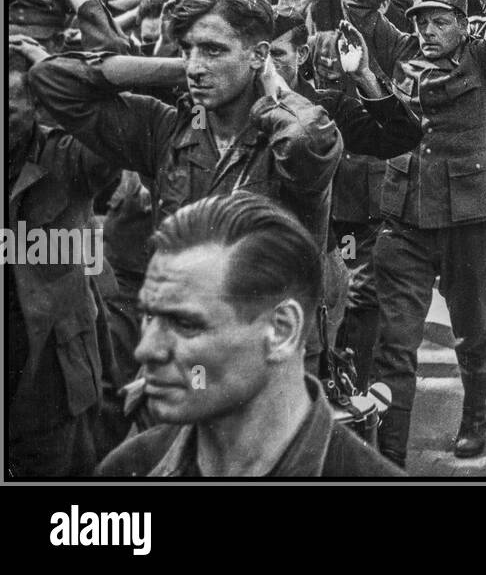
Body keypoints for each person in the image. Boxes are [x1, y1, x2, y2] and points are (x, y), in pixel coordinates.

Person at [26, 0, 344, 374]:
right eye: (187, 50)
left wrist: (270, 92)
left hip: (265, 360)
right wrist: (176, 69)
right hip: (182, 353)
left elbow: (304, 141)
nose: (196, 66)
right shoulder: (167, 131)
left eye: (213, 50)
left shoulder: (288, 137)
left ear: (258, 55)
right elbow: (53, 82)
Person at [342, 0, 486, 466]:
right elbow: (356, 2)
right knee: (395, 344)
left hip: (470, 220)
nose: (427, 30)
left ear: (464, 24)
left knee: (471, 332)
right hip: (404, 218)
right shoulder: (402, 50)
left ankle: (474, 419)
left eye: (440, 20)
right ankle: (389, 454)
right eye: (421, 20)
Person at [95, 193, 402, 477]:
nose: (146, 349)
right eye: (150, 317)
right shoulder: (127, 469)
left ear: (282, 330)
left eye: (186, 323)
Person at [6, 40, 118, 477]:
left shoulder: (68, 155)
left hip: (49, 378)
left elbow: (115, 124)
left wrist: (56, 68)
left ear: (36, 103)